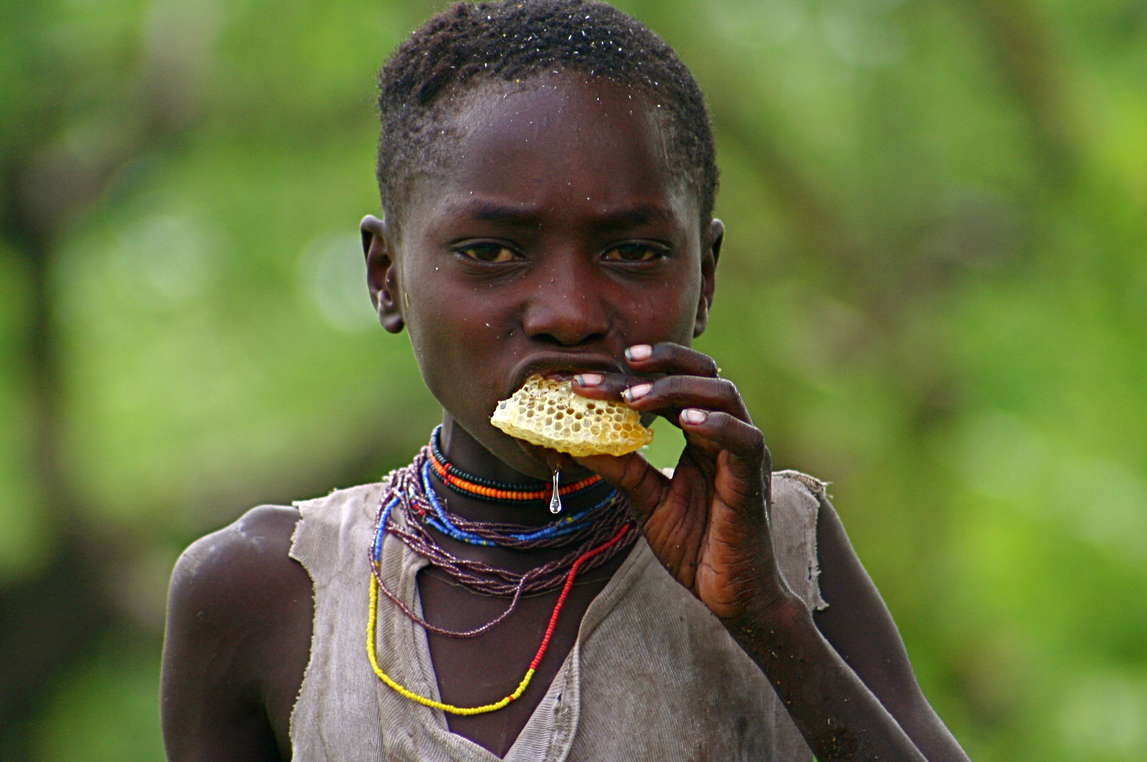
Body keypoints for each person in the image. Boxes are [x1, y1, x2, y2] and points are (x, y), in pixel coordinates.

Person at [161, 2, 969, 760]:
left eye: (634, 253)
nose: (571, 312)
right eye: (491, 252)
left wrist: (769, 621)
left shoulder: (784, 546)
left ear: (707, 278)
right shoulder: (267, 590)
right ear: (387, 278)